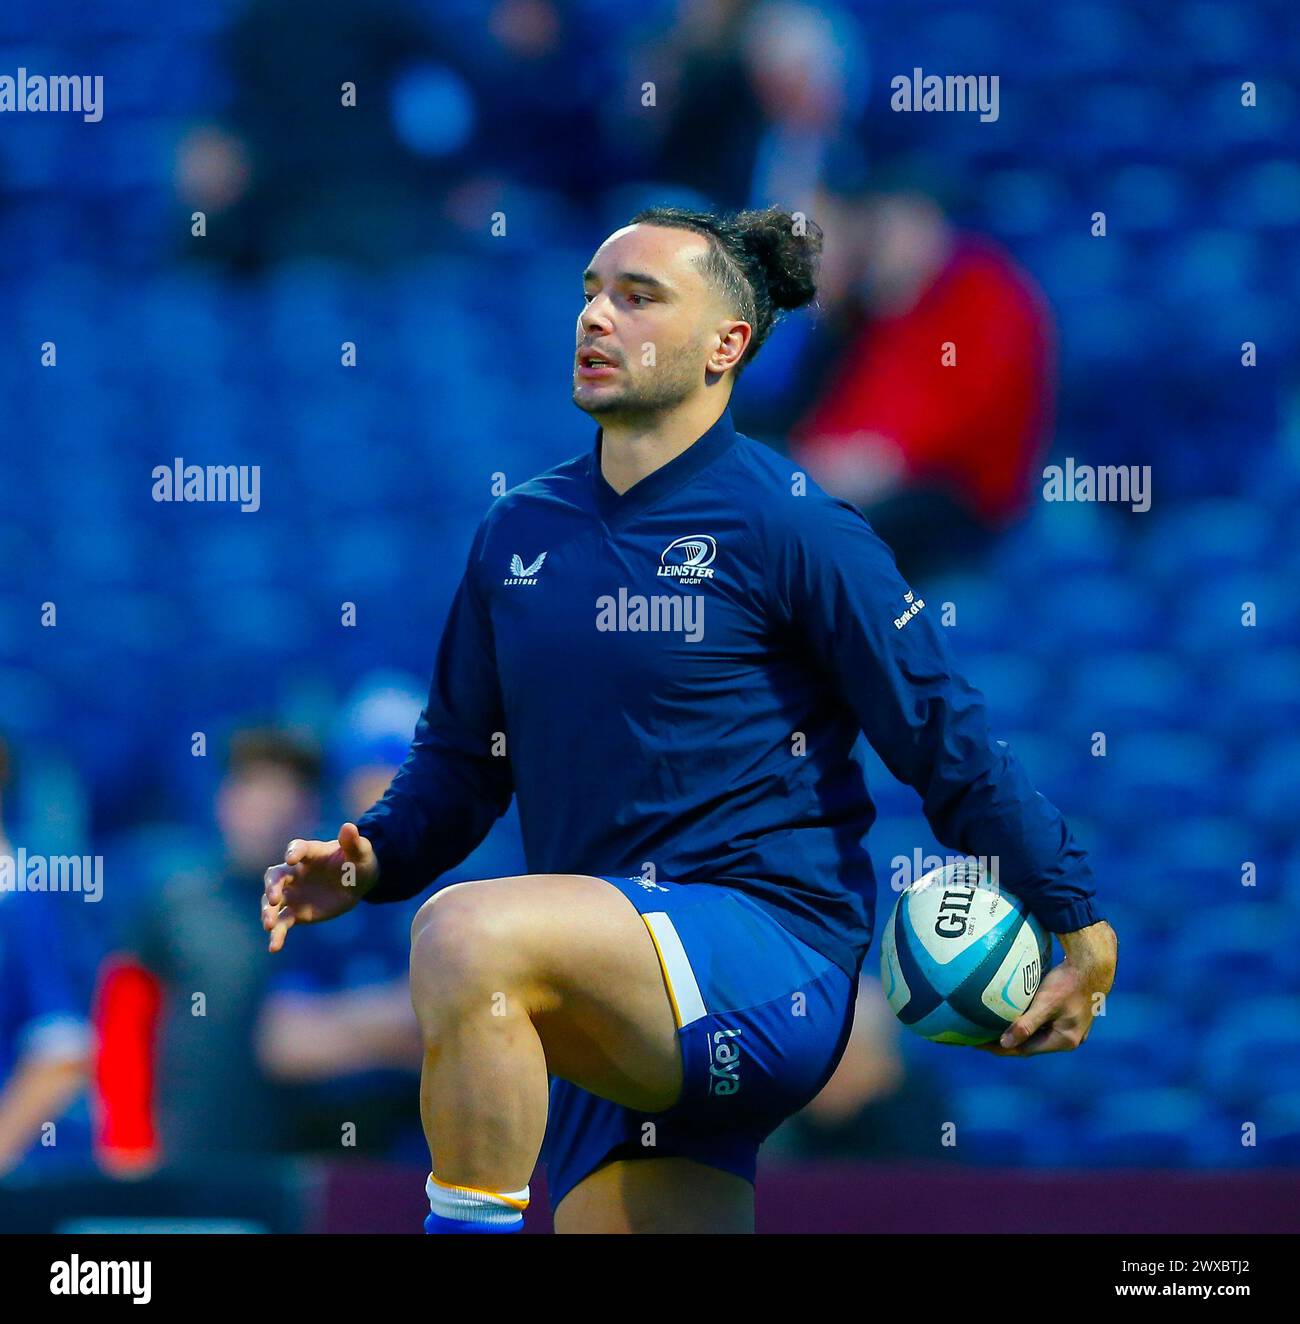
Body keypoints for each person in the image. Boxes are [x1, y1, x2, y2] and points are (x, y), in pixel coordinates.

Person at [262, 205, 1117, 1234]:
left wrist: (1073, 915)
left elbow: (944, 737)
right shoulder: (517, 533)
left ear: (727, 346)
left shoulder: (793, 524)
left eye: (638, 296)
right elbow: (458, 767)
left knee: (466, 932)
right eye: (588, 292)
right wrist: (371, 863)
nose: (596, 316)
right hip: (608, 990)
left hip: (765, 957)